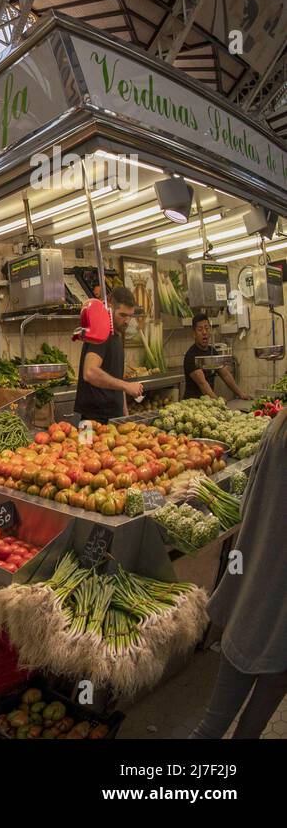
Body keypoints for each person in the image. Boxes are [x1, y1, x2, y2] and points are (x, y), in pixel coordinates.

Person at [191, 409, 287, 738]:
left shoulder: (278, 426)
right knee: (250, 729)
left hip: (251, 595)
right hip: (279, 612)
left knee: (212, 722)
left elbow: (246, 507)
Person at [73, 287, 143, 423]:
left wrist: (125, 415)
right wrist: (126, 386)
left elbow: (116, 377)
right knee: (84, 445)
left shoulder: (115, 334)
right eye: (122, 315)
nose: (127, 321)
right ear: (110, 308)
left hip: (113, 418)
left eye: (130, 315)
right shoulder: (101, 333)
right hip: (93, 421)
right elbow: (89, 372)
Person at [183, 313, 250, 401]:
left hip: (209, 403)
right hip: (193, 405)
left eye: (207, 328)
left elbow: (225, 374)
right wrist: (218, 400)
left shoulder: (212, 351)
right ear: (194, 334)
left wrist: (241, 394)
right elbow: (203, 384)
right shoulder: (191, 356)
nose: (204, 332)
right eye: (200, 329)